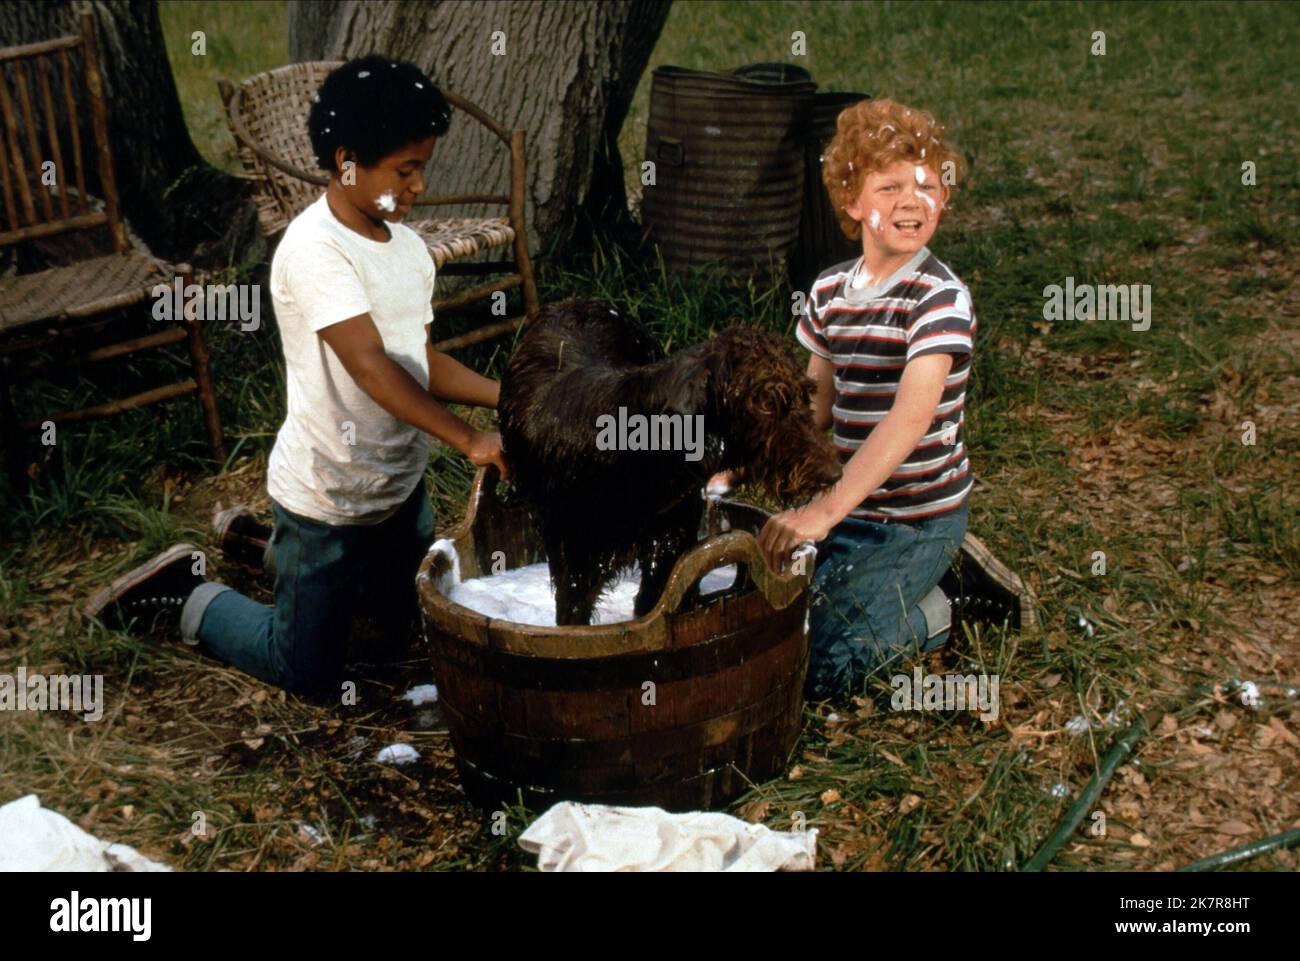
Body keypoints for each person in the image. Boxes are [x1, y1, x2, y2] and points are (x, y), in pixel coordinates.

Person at [87, 55, 507, 701]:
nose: (420, 184)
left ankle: (260, 546)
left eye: (423, 164)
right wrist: (469, 438)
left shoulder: (410, 251)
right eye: (406, 168)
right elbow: (371, 367)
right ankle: (185, 592)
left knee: (395, 636)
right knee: (308, 673)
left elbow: (419, 360)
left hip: (397, 494)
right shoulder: (315, 251)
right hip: (326, 499)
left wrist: (510, 398)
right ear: (345, 161)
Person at [757, 98, 975, 701]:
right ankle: (869, 588)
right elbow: (816, 409)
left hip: (916, 519)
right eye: (890, 186)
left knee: (826, 668)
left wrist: (823, 510)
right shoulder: (829, 291)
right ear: (853, 204)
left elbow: (909, 421)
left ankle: (938, 606)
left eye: (927, 185)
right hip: (854, 505)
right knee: (769, 622)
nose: (912, 199)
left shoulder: (939, 299)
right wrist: (743, 455)